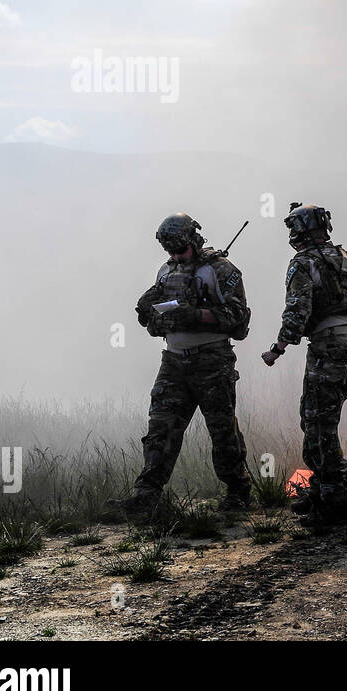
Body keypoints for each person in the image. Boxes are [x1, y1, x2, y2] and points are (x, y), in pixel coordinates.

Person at [111, 213, 253, 517]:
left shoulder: (220, 269)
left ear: (193, 241)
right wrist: (152, 316)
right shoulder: (166, 271)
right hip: (173, 362)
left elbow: (238, 317)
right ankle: (146, 497)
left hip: (212, 360)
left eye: (180, 250)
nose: (175, 256)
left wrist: (198, 315)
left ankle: (238, 493)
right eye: (170, 251)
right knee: (160, 428)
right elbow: (155, 322)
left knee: (222, 428)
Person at [261, 203, 347, 526]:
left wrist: (278, 348)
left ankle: (335, 504)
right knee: (319, 417)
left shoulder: (303, 262)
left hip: (329, 348)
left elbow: (297, 310)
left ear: (300, 230)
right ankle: (321, 490)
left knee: (319, 424)